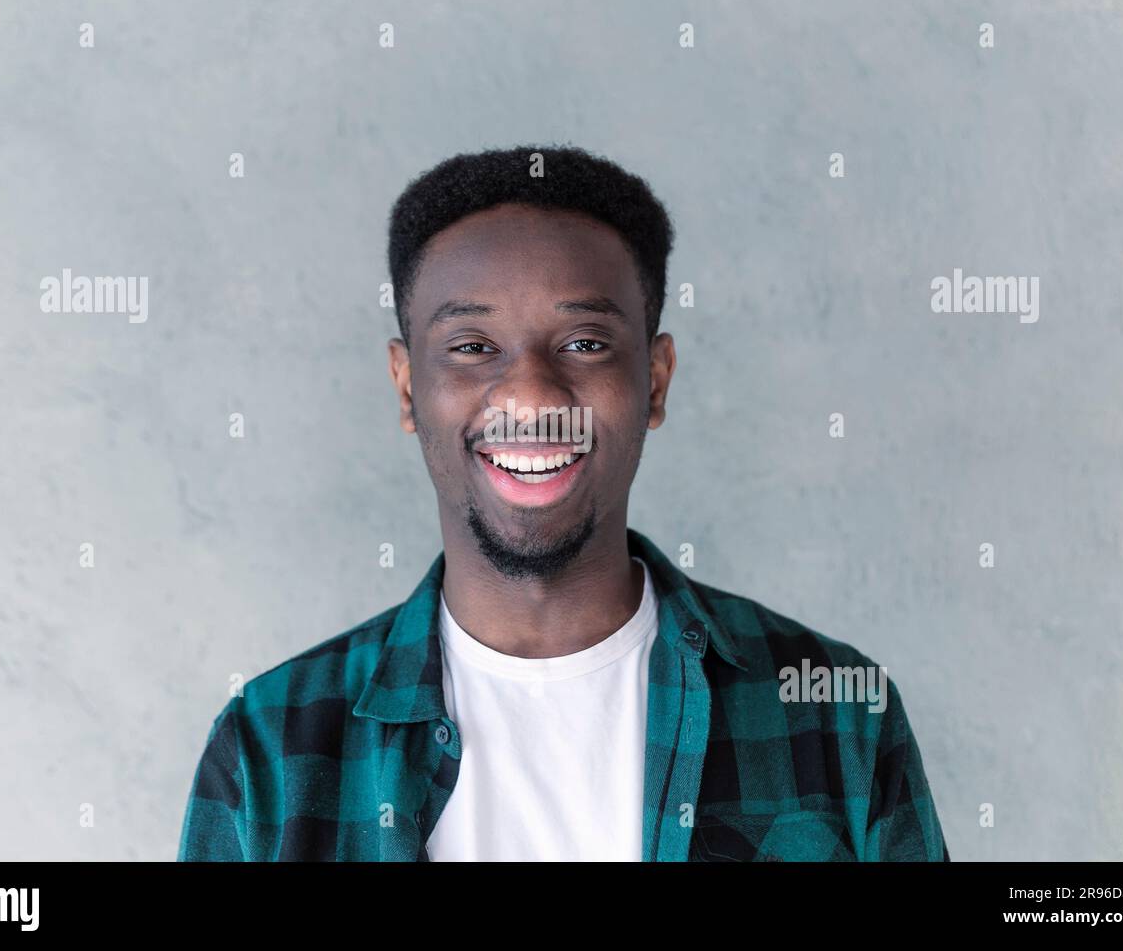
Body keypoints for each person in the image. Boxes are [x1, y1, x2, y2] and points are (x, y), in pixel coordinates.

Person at [178, 143, 949, 861]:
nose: (531, 395)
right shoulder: (269, 749)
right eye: (473, 347)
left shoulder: (836, 712)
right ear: (409, 386)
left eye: (584, 343)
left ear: (654, 379)